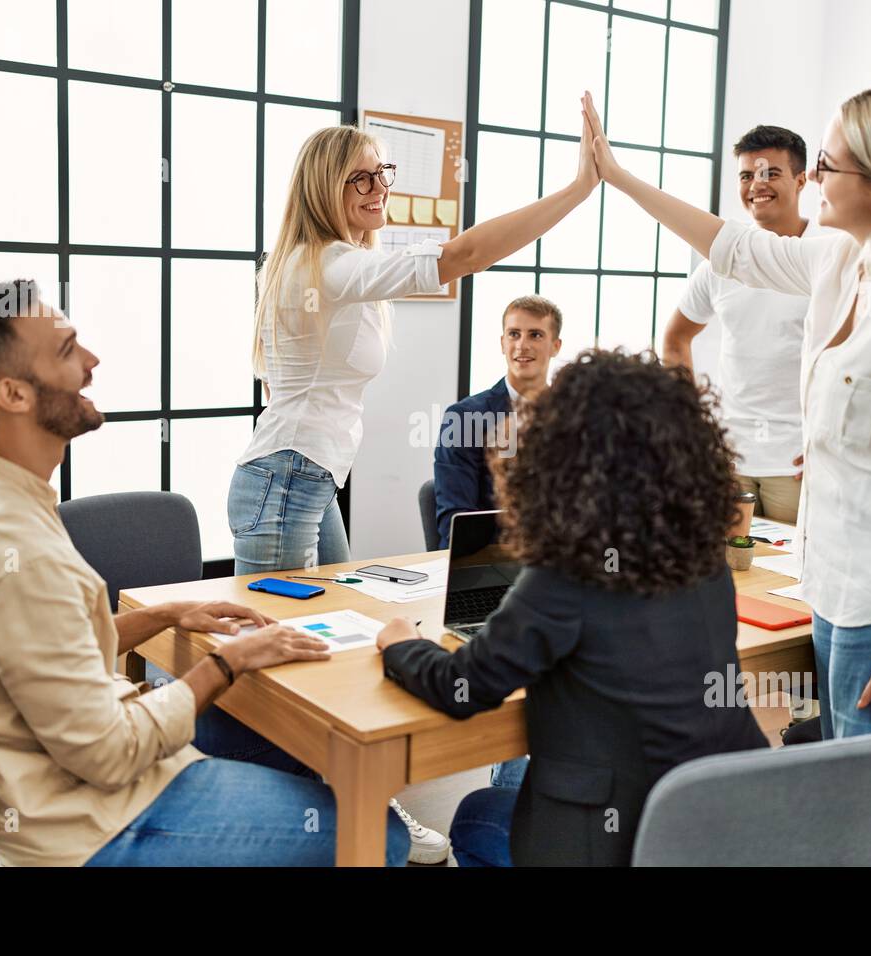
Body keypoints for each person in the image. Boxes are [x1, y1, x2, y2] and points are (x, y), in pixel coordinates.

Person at [584, 84, 871, 866]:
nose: (809, 180)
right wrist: (619, 177)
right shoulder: (848, 259)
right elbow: (731, 247)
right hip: (838, 586)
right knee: (849, 821)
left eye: (825, 165)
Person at [0, 279, 409, 866]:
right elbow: (110, 753)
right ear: (13, 393)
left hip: (85, 766)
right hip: (95, 825)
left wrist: (167, 615)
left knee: (309, 742)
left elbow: (46, 652)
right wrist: (231, 660)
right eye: (67, 351)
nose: (92, 362)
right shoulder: (4, 543)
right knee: (380, 835)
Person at [230, 103, 600, 861]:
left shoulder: (328, 261)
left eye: (381, 173)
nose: (376, 188)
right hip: (286, 482)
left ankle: (370, 817)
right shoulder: (327, 262)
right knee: (278, 684)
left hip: (308, 478)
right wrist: (572, 193)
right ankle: (294, 838)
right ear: (323, 187)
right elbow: (459, 255)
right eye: (358, 177)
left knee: (347, 639)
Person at [377, 349, 770, 866]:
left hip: (612, 841)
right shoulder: (700, 552)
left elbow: (461, 687)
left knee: (475, 814)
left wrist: (401, 642)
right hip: (723, 820)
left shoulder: (566, 576)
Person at [662, 124, 825, 525]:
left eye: (771, 173)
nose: (757, 184)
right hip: (729, 461)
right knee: (727, 577)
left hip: (800, 464)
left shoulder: (826, 258)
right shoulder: (721, 264)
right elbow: (675, 338)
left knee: (794, 580)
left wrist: (836, 442)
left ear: (801, 180)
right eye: (747, 175)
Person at [434, 294, 563, 549]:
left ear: (555, 346)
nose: (522, 345)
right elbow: (456, 523)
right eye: (514, 334)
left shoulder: (572, 416)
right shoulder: (464, 418)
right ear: (503, 343)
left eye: (535, 335)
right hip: (487, 566)